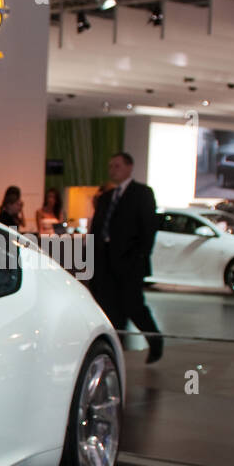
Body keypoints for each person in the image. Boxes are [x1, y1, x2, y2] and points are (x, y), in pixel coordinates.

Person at [91, 151, 162, 363]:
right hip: (105, 265)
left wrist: (139, 258)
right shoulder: (105, 198)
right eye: (111, 166)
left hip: (129, 263)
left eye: (117, 166)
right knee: (110, 309)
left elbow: (149, 228)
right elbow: (96, 231)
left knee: (133, 305)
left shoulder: (142, 193)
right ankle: (115, 352)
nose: (113, 170)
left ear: (129, 167)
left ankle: (155, 340)